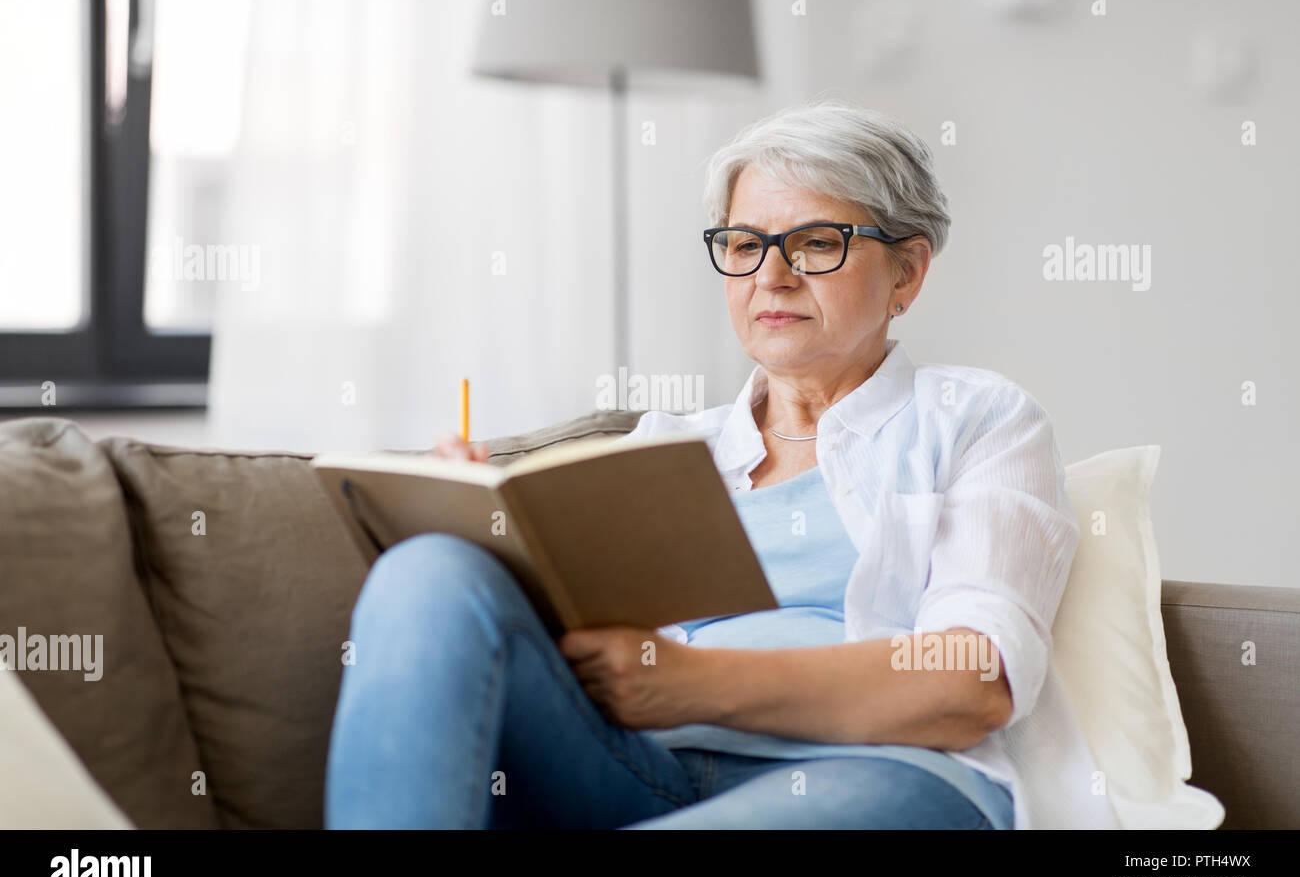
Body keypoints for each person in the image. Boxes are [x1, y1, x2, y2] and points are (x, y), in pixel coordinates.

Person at [324, 96, 1117, 830]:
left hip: (881, 770)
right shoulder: (665, 447)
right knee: (431, 569)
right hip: (639, 767)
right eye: (744, 245)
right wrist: (485, 527)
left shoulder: (977, 418)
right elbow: (573, 646)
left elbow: (970, 681)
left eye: (815, 243)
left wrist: (688, 684)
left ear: (905, 272)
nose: (771, 276)